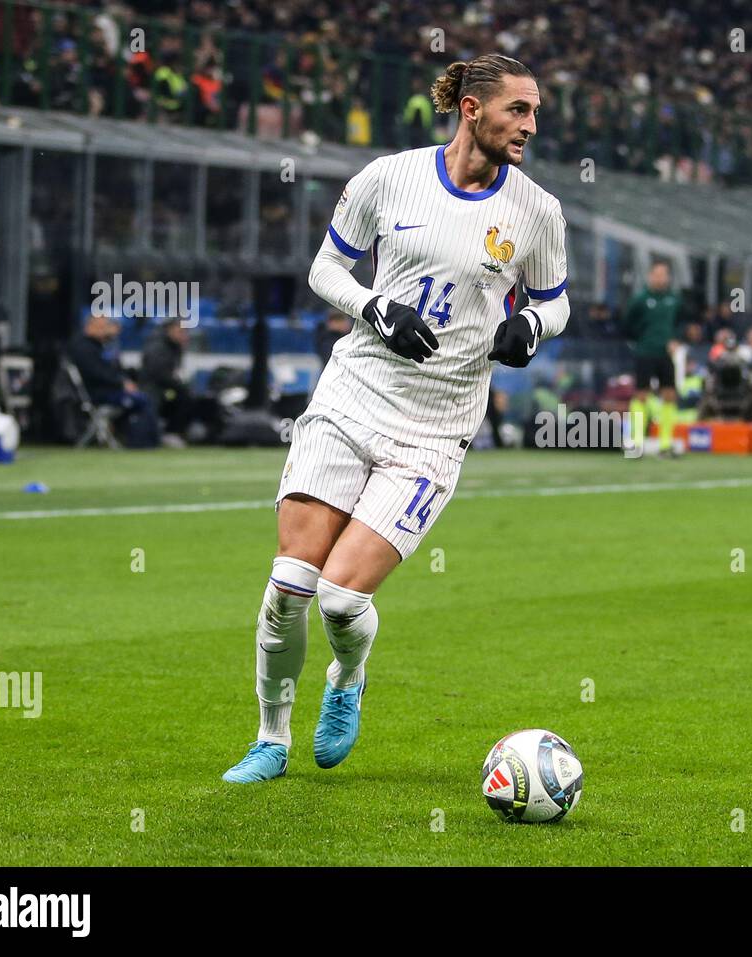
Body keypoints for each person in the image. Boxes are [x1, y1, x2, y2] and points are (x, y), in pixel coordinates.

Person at [222, 54, 569, 783]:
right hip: (354, 395)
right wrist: (374, 306)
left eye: (535, 112)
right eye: (519, 110)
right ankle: (270, 739)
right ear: (472, 109)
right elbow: (325, 269)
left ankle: (348, 680)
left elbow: (556, 295)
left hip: (436, 425)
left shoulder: (537, 210)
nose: (532, 126)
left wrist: (533, 326)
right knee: (289, 586)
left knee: (343, 598)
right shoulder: (388, 178)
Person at [64, 315, 161, 448]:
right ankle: (141, 443)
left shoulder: (100, 345)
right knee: (142, 400)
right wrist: (122, 384)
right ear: (90, 326)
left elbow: (114, 369)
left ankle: (143, 440)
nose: (105, 331)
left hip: (109, 390)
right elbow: (97, 373)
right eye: (102, 327)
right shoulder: (83, 347)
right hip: (97, 393)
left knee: (144, 398)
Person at [621, 261, 682, 456]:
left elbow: (683, 322)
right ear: (650, 276)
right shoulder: (640, 299)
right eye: (656, 274)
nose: (659, 278)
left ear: (668, 277)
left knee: (670, 394)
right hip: (645, 352)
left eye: (663, 274)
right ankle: (636, 442)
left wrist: (676, 339)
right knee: (641, 394)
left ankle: (665, 444)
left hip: (665, 354)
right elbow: (627, 324)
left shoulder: (674, 300)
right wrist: (641, 340)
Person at [140, 318, 194, 446]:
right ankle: (166, 433)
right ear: (170, 330)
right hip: (152, 387)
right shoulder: (158, 346)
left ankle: (171, 432)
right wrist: (180, 385)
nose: (184, 335)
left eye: (185, 331)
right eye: (181, 331)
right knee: (182, 395)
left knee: (185, 396)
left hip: (165, 387)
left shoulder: (175, 347)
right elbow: (158, 374)